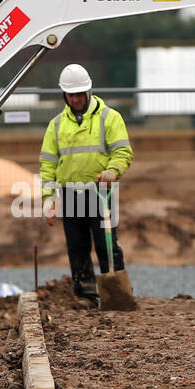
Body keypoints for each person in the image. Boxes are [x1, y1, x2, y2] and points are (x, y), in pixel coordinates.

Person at [40, 63, 133, 304]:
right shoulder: (56, 125)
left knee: (107, 245)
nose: (76, 99)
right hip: (69, 193)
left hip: (100, 191)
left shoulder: (109, 118)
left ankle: (117, 295)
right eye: (71, 94)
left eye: (79, 94)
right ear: (64, 95)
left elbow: (122, 152)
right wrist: (48, 197)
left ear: (89, 92)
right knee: (77, 246)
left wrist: (113, 171)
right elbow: (48, 164)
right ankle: (87, 294)